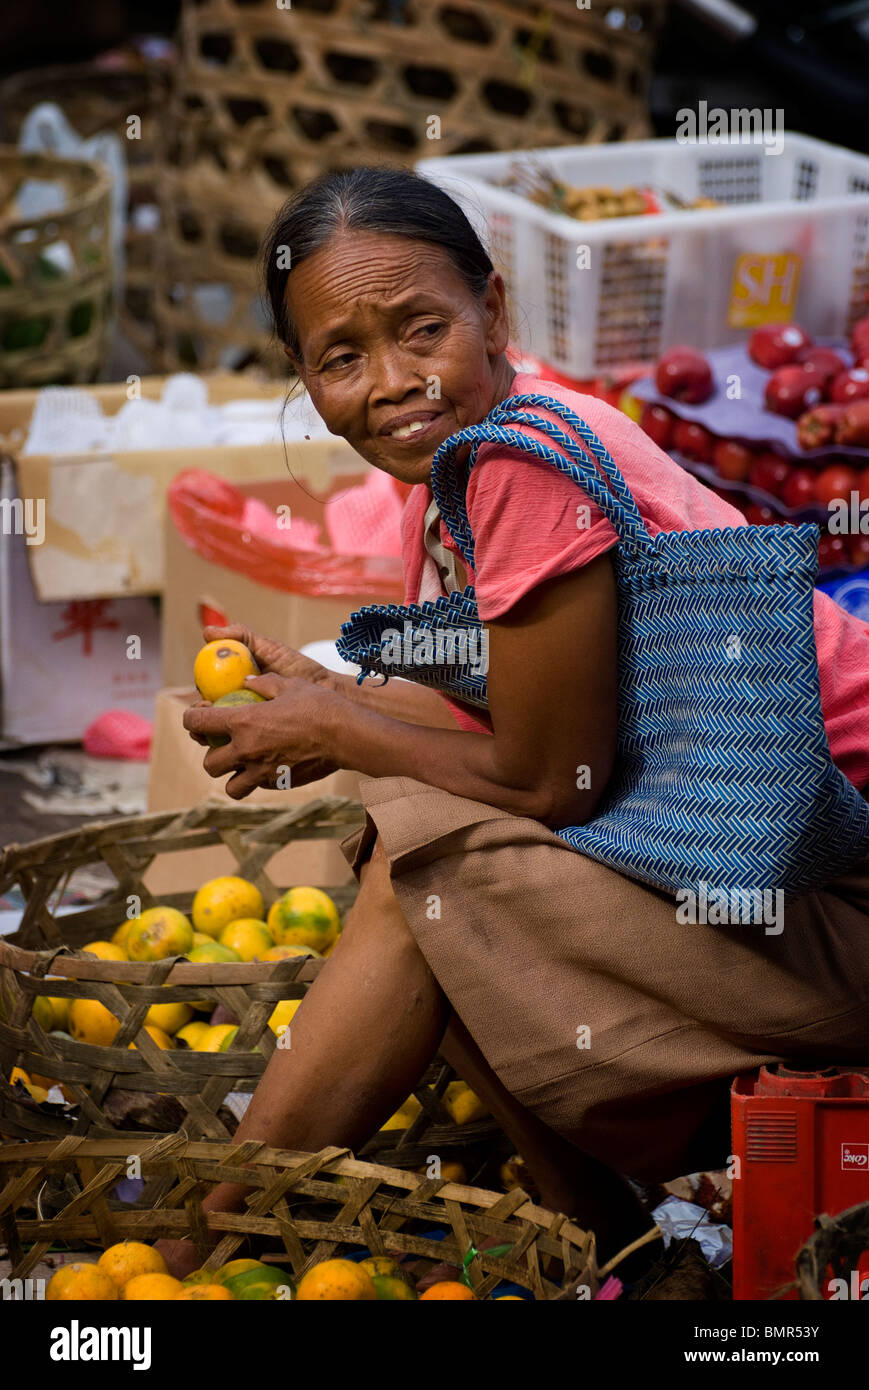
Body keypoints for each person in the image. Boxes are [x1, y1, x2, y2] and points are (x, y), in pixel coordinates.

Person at [159, 166, 869, 1280]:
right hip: (760, 867)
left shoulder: (519, 463)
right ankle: (611, 1235)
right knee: (411, 847)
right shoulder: (466, 453)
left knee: (424, 867)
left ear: (491, 314)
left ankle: (189, 1245)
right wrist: (325, 693)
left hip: (831, 892)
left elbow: (554, 781)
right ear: (303, 378)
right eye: (341, 358)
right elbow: (497, 701)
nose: (392, 382)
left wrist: (338, 732)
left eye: (420, 329)